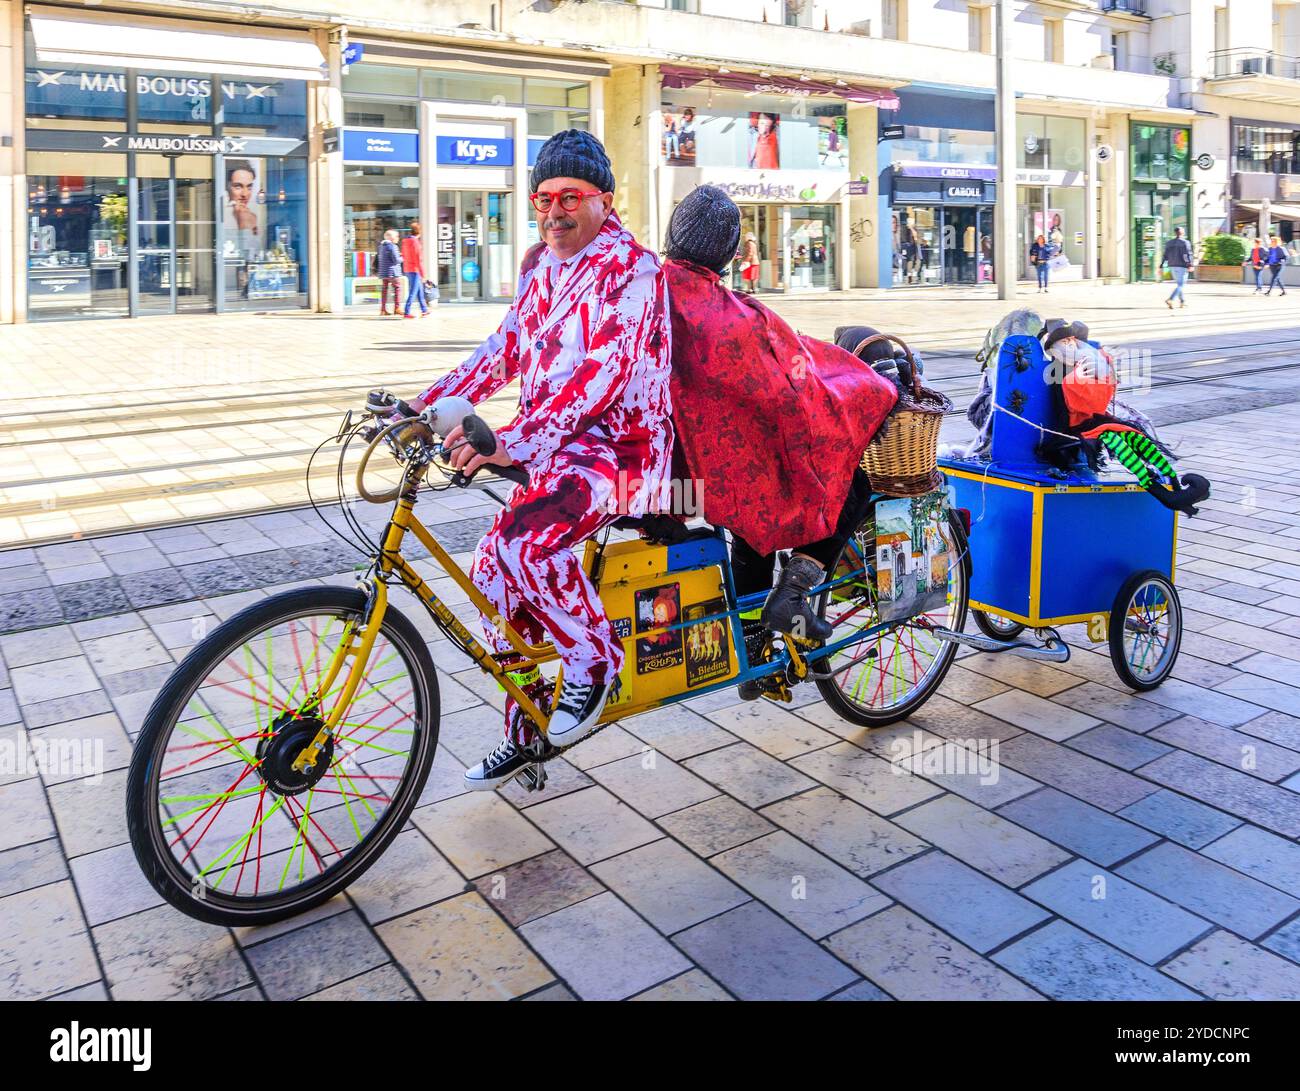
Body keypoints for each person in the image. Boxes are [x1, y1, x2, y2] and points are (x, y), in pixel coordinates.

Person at [399, 131, 673, 789]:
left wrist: (508, 442)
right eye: (543, 198)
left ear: (604, 200)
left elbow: (601, 378)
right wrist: (419, 409)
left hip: (621, 453)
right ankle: (528, 723)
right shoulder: (540, 269)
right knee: (491, 568)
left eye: (569, 197)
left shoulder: (632, 270)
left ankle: (594, 663)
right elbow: (500, 352)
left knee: (528, 550)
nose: (553, 211)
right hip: (557, 452)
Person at [659, 186, 899, 694]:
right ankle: (794, 590)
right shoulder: (740, 317)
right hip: (729, 460)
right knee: (847, 475)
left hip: (694, 472)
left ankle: (753, 649)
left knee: (749, 511)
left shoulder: (652, 296)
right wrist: (866, 387)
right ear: (728, 252)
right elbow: (801, 381)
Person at [400, 222, 430, 319]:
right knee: (413, 291)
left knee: (419, 289)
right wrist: (423, 274)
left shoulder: (405, 242)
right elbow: (418, 260)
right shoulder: (416, 243)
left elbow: (403, 256)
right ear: (419, 232)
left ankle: (424, 309)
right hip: (414, 269)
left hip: (407, 268)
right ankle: (407, 311)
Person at [1160, 226, 1193, 309]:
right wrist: (1189, 264)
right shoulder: (1185, 242)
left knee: (1179, 284)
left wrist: (1161, 265)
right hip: (1182, 266)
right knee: (1181, 285)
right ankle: (1170, 299)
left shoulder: (1169, 243)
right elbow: (1186, 255)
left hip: (1172, 266)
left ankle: (1182, 302)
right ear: (1182, 232)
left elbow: (1165, 255)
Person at [377, 229, 403, 316]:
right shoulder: (393, 246)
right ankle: (397, 308)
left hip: (384, 272)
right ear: (392, 238)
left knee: (384, 290)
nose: (398, 238)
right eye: (397, 236)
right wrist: (402, 258)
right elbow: (396, 260)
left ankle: (383, 309)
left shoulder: (381, 246)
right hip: (393, 272)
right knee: (397, 288)